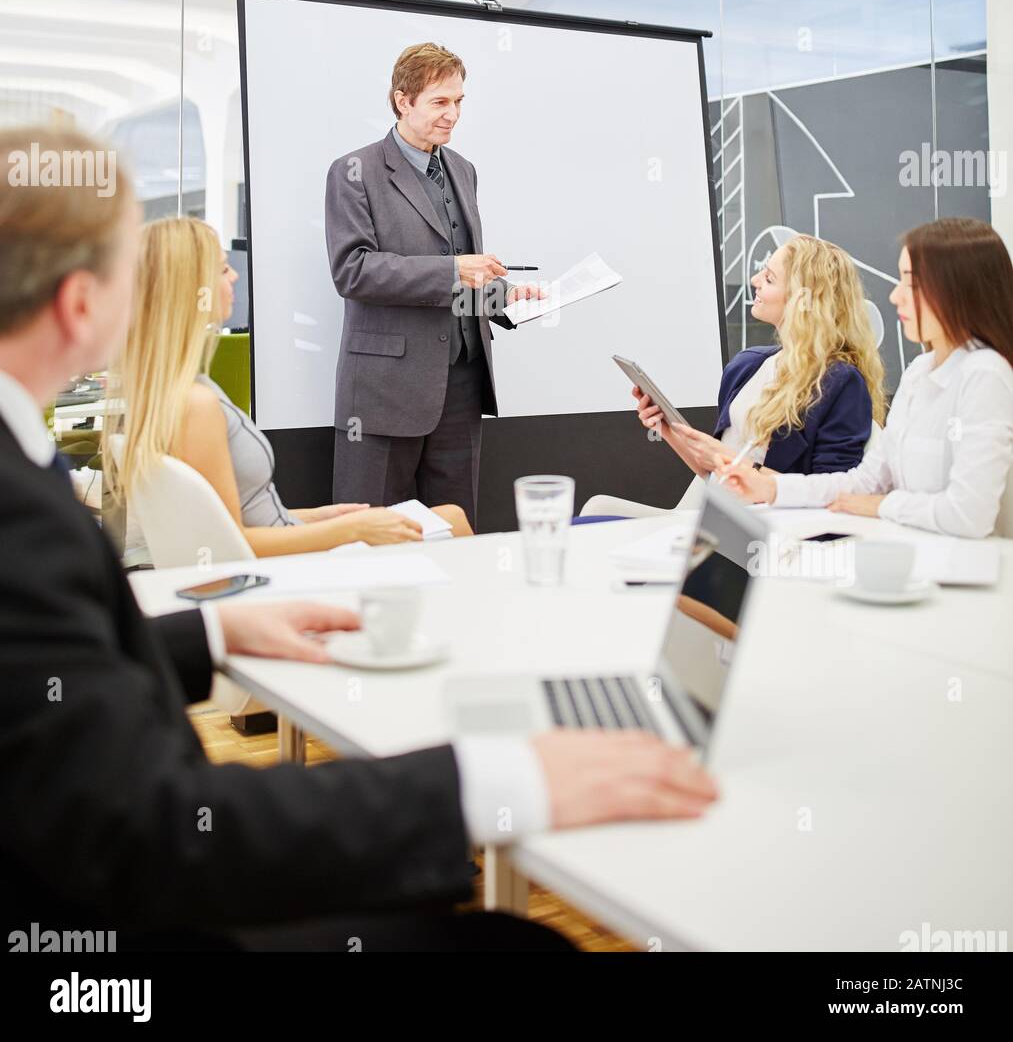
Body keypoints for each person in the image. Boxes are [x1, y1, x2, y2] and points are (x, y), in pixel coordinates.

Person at [0, 125, 717, 952]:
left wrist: (209, 629)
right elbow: (147, 834)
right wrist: (495, 776)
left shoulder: (27, 471)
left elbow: (48, 680)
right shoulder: (23, 516)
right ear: (81, 303)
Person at [109, 217, 471, 558]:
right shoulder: (197, 406)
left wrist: (328, 518)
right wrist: (353, 530)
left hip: (288, 545)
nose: (234, 275)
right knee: (452, 520)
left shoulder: (175, 394)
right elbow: (229, 544)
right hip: (281, 569)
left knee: (450, 515)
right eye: (222, 269)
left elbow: (248, 517)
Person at [325, 42, 542, 529]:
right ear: (403, 100)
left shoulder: (463, 171)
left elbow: (465, 276)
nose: (453, 115)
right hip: (384, 394)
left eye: (459, 101)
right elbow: (352, 271)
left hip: (461, 387)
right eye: (440, 102)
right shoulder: (353, 172)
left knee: (456, 530)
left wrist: (507, 299)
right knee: (372, 537)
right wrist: (453, 272)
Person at [720, 219, 1013, 539]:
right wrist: (771, 487)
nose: (895, 297)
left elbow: (969, 516)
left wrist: (882, 505)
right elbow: (864, 482)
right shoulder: (919, 370)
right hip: (912, 557)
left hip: (961, 571)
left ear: (958, 291)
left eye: (910, 284)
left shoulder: (985, 374)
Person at [632, 235, 885, 506]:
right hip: (718, 521)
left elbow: (833, 496)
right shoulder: (746, 366)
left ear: (803, 300)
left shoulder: (840, 383)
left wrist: (728, 460)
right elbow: (713, 474)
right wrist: (667, 428)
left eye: (769, 278)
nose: (754, 280)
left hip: (771, 536)